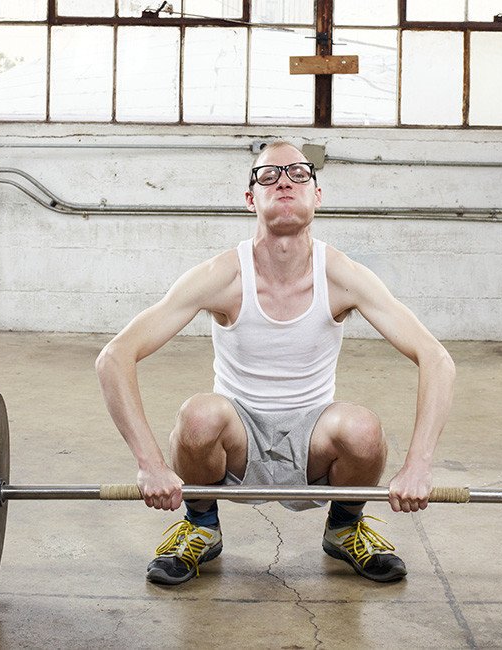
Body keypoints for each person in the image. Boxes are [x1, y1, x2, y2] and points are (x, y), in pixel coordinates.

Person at [96, 141, 455, 585]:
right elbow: (114, 357)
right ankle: (200, 526)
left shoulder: (342, 276)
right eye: (268, 176)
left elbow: (436, 358)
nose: (284, 181)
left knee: (363, 428)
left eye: (299, 174)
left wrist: (418, 463)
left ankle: (344, 527)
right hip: (236, 439)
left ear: (317, 195)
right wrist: (150, 464)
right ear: (251, 199)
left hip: (314, 441)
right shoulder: (222, 276)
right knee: (198, 415)